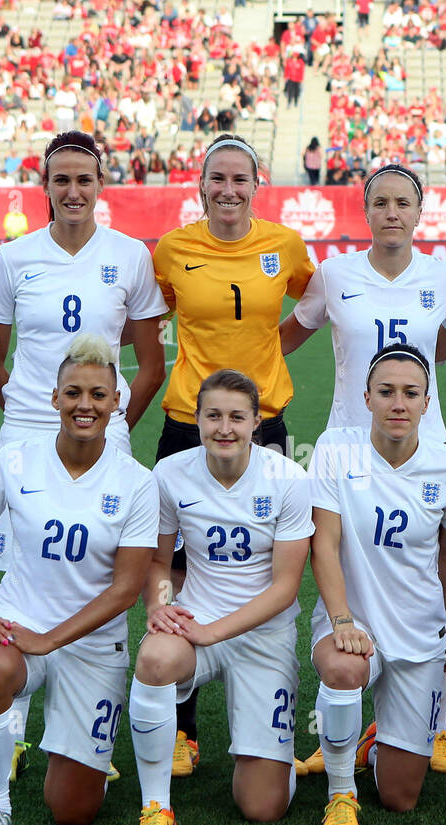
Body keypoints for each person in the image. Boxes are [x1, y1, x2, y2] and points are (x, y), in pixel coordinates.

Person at [0, 131, 168, 779]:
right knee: (20, 575)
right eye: (60, 180)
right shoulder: (12, 259)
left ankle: (83, 722)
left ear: (99, 185)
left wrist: (115, 422)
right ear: (45, 187)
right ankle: (8, 730)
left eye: (83, 179)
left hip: (101, 432)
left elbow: (150, 365)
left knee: (95, 573)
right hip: (29, 436)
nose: (73, 191)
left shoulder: (130, 257)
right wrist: (26, 420)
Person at [282, 162, 446, 773]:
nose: (393, 212)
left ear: (421, 213)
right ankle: (338, 724)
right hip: (346, 440)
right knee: (343, 563)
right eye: (382, 202)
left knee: (420, 566)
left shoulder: (444, 278)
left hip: (422, 439)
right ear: (366, 211)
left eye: (404, 203)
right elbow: (289, 334)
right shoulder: (334, 275)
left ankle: (432, 726)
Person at [0, 336, 158, 825]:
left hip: (90, 642)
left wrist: (51, 640)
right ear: (55, 398)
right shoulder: (14, 461)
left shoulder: (137, 483)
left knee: (73, 812)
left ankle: (68, 746)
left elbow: (127, 589)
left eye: (98, 395)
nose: (85, 405)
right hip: (19, 620)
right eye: (73, 393)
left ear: (116, 403)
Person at [152, 133, 314, 772]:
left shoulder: (284, 245)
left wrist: (272, 354)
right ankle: (181, 724)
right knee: (182, 566)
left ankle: (265, 681)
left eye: (239, 180)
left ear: (257, 183)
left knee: (264, 558)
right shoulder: (172, 250)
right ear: (201, 185)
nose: (228, 190)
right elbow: (154, 317)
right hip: (188, 421)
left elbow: (313, 304)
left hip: (264, 421)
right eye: (216, 179)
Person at [127, 371, 313, 825]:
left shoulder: (289, 479)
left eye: (237, 417)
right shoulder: (170, 473)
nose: (224, 428)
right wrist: (159, 606)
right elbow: (158, 561)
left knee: (262, 808)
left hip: (263, 634)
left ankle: (273, 750)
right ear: (197, 419)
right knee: (154, 659)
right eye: (213, 416)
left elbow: (285, 588)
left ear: (257, 422)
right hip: (195, 621)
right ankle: (155, 808)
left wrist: (214, 632)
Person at [307, 344, 446, 825]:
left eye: (410, 393)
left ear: (426, 402)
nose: (398, 403)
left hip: (419, 632)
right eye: (386, 392)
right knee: (343, 667)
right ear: (367, 398)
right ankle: (340, 794)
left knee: (401, 798)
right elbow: (325, 545)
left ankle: (375, 743)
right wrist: (341, 621)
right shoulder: (335, 449)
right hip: (352, 623)